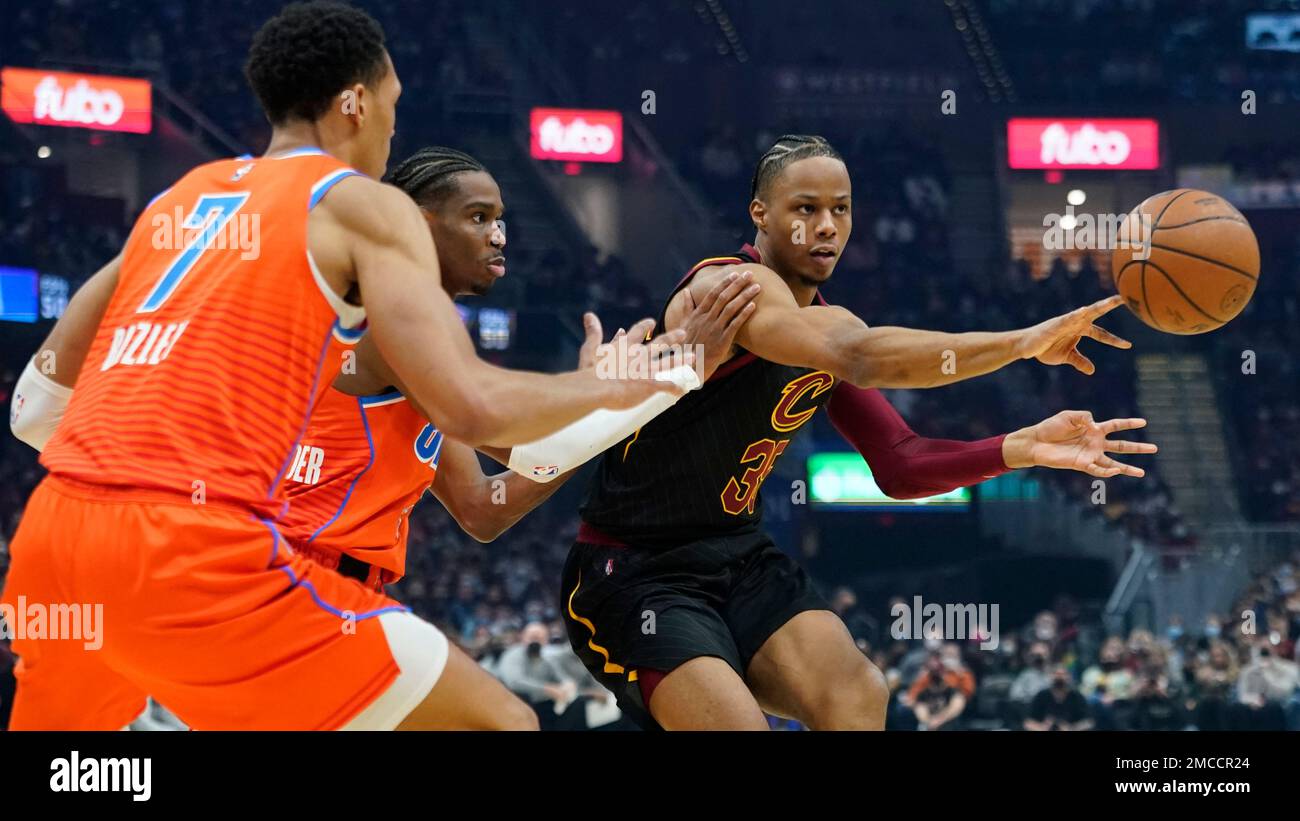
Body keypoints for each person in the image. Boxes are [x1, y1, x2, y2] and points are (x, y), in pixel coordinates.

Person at [1, 1, 688, 731]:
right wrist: (618, 384)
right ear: (356, 102)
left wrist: (137, 470)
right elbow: (475, 408)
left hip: (56, 534)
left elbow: (34, 410)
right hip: (206, 557)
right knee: (502, 725)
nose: (392, 133)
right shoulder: (362, 207)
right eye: (393, 108)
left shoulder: (180, 197)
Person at [563, 133, 1158, 730]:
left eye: (840, 209)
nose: (826, 226)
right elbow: (863, 357)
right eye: (805, 208)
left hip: (737, 556)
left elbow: (899, 462)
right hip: (635, 569)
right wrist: (1021, 343)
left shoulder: (826, 324)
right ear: (760, 215)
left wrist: (1018, 447)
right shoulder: (729, 286)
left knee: (855, 692)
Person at [274, 146, 756, 728]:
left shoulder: (422, 342)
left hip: (335, 594)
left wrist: (601, 400)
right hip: (302, 589)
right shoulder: (388, 319)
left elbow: (483, 509)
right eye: (478, 218)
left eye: (501, 218)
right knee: (507, 724)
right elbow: (535, 445)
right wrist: (675, 374)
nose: (499, 234)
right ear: (421, 223)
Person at [1024, 666, 1094, 731]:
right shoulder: (1041, 696)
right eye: (1056, 674)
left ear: (1069, 677)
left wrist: (1071, 728)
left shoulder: (1076, 697)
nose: (1059, 677)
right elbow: (1028, 723)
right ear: (1050, 676)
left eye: (1063, 674)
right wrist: (1042, 728)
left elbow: (1089, 722)